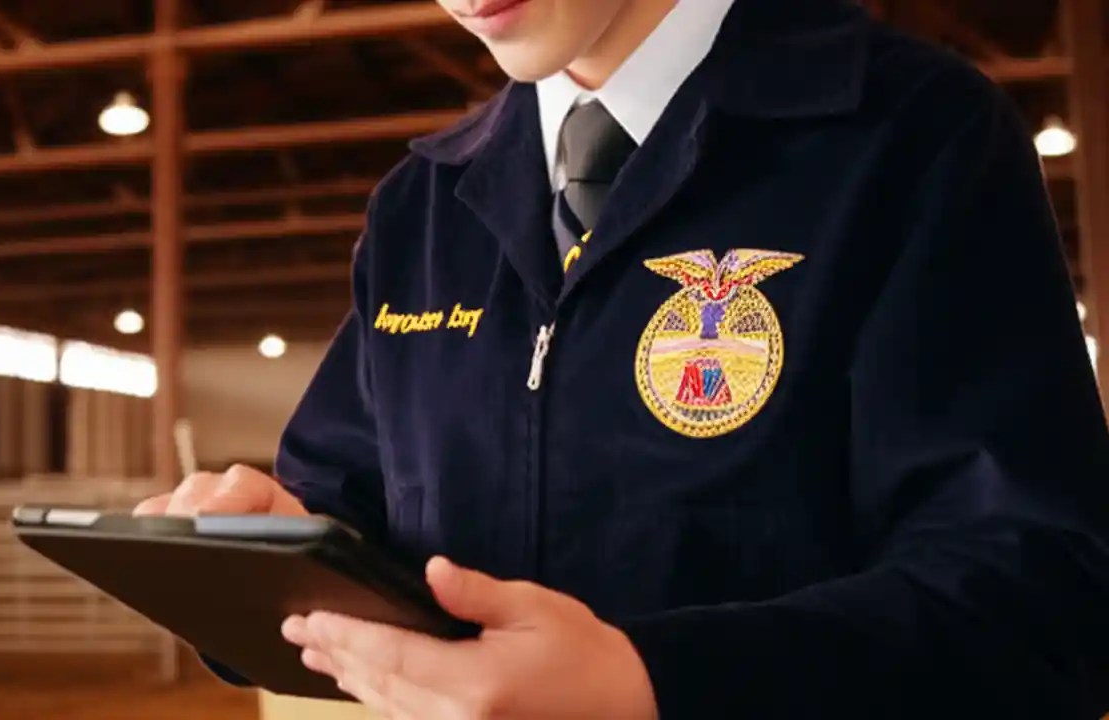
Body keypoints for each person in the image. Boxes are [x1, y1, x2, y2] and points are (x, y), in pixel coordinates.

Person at [135, 0, 1109, 716]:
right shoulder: (421, 208)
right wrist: (267, 559)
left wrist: (655, 682)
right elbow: (350, 520)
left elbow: (1032, 595)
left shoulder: (906, 139)